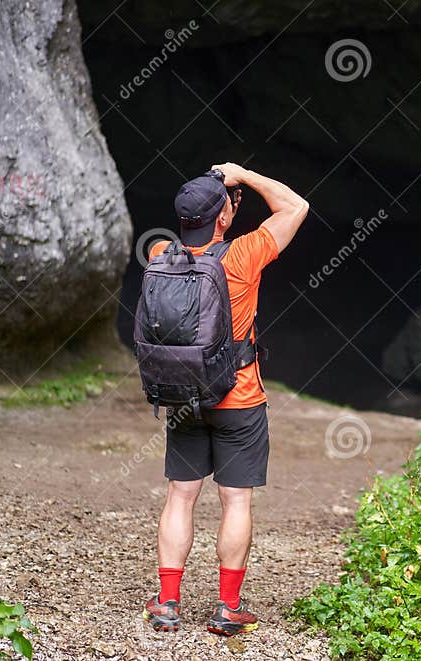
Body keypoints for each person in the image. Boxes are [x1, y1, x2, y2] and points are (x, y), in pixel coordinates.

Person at [141, 162, 309, 635]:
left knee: (180, 496)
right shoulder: (242, 255)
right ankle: (227, 607)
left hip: (183, 398)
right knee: (235, 502)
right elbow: (296, 206)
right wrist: (244, 175)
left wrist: (214, 201)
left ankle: (168, 604)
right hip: (239, 397)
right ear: (222, 218)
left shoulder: (159, 253)